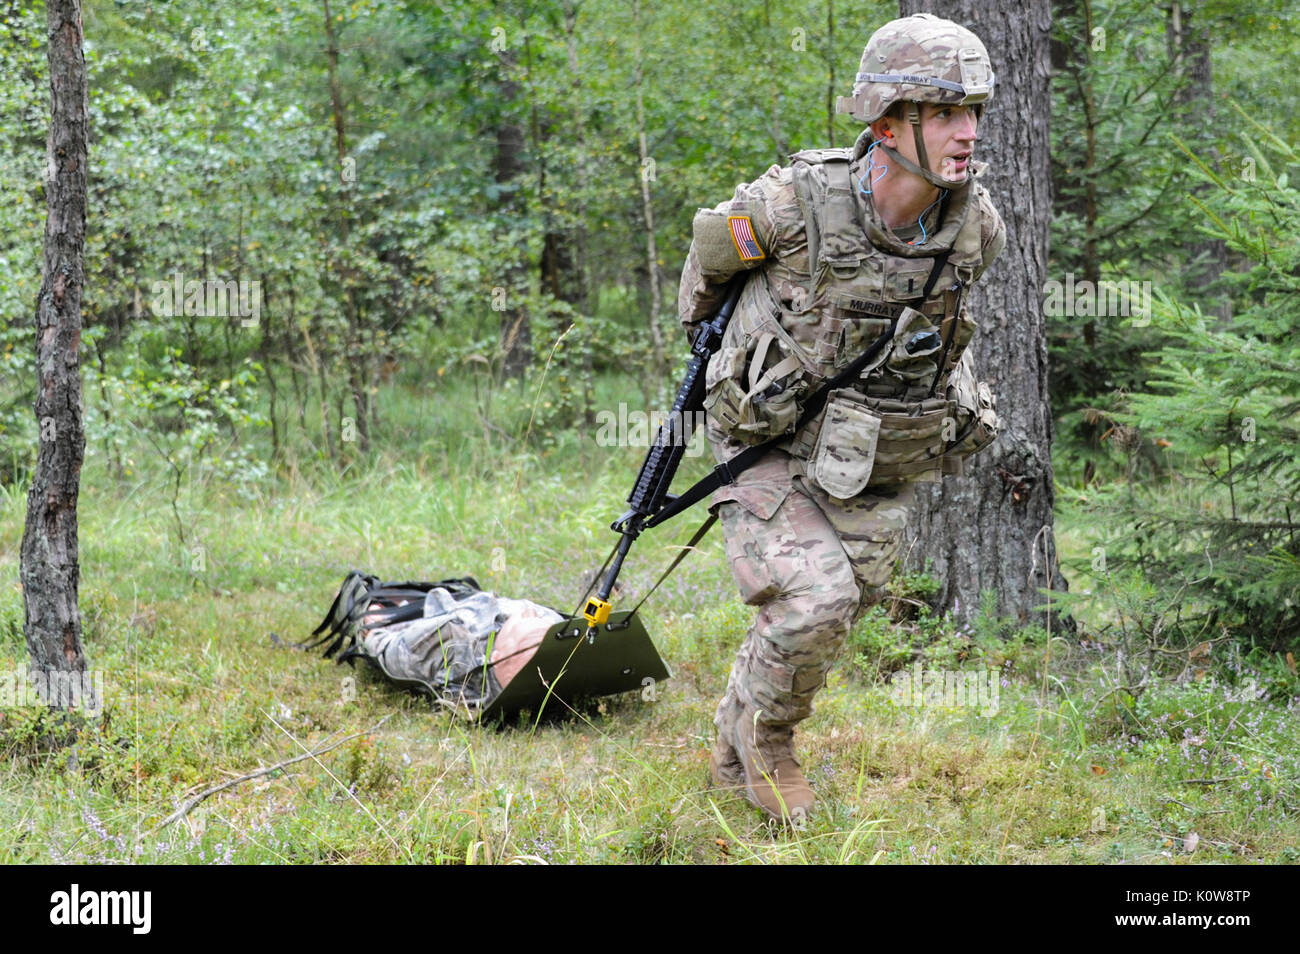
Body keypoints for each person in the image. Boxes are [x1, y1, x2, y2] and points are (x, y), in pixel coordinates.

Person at [678, 13, 1006, 824]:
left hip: (861, 448)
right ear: (888, 123)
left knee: (847, 601)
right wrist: (730, 367)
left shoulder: (972, 230)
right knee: (814, 597)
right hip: (760, 434)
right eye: (946, 114)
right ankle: (771, 746)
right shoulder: (792, 205)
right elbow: (705, 276)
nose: (967, 133)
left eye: (974, 113)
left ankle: (730, 757)